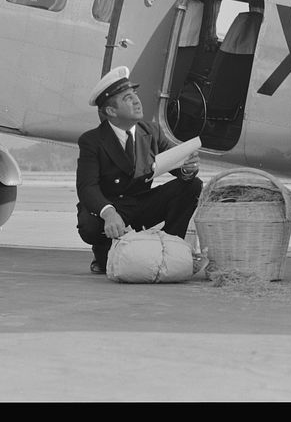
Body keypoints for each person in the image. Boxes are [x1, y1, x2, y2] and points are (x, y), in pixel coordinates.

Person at [76, 66, 202, 274]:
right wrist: (108, 213)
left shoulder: (151, 131)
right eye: (127, 98)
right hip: (114, 209)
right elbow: (86, 186)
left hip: (142, 205)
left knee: (191, 186)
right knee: (91, 227)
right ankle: (104, 250)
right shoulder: (92, 141)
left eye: (135, 95)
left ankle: (171, 247)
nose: (136, 101)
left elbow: (177, 162)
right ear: (111, 111)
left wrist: (187, 168)